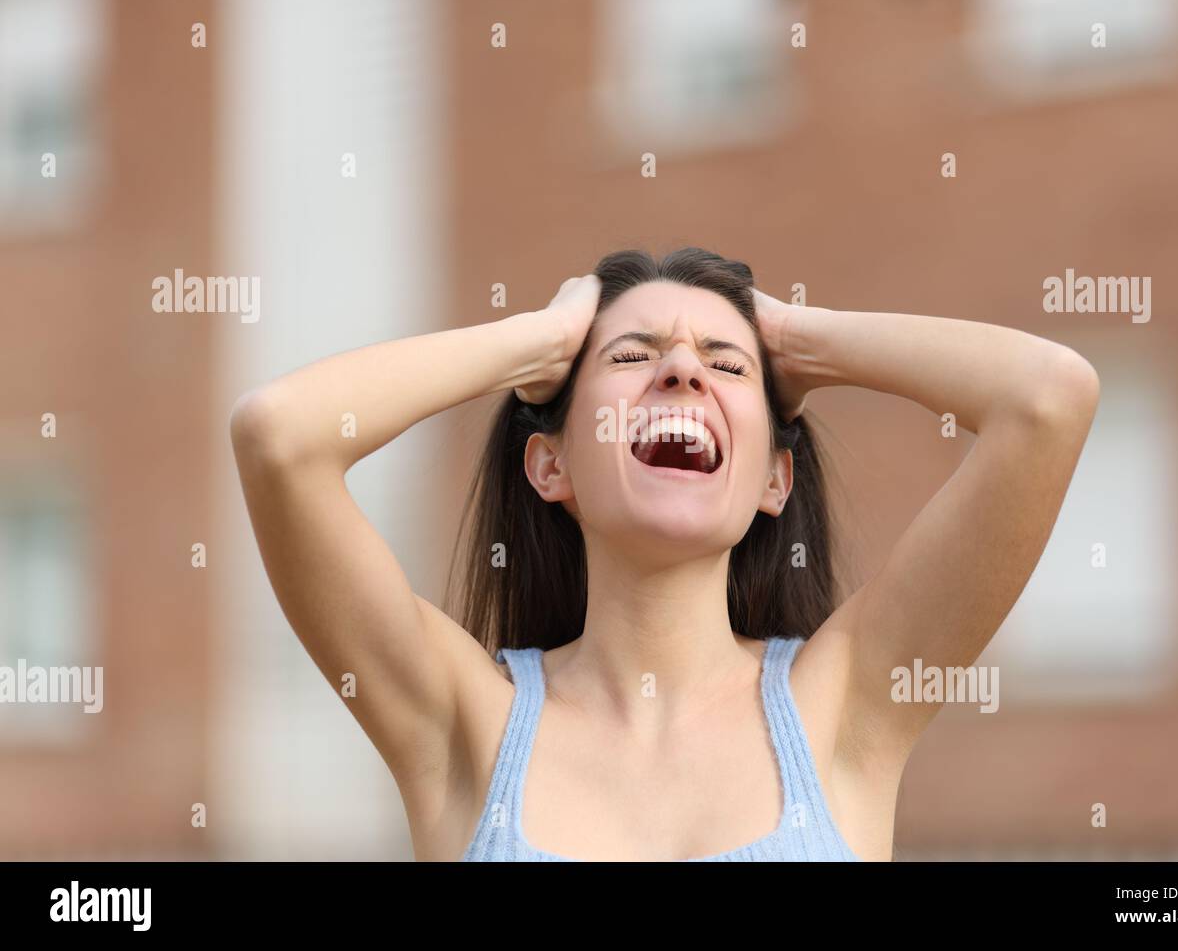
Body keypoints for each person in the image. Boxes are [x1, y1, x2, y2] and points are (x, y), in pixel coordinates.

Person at [229, 246, 1099, 861]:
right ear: (551, 463)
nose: (682, 372)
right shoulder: (464, 721)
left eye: (725, 367)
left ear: (773, 480)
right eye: (632, 355)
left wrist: (795, 341)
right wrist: (534, 343)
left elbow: (1048, 398)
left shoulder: (847, 703)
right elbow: (280, 437)